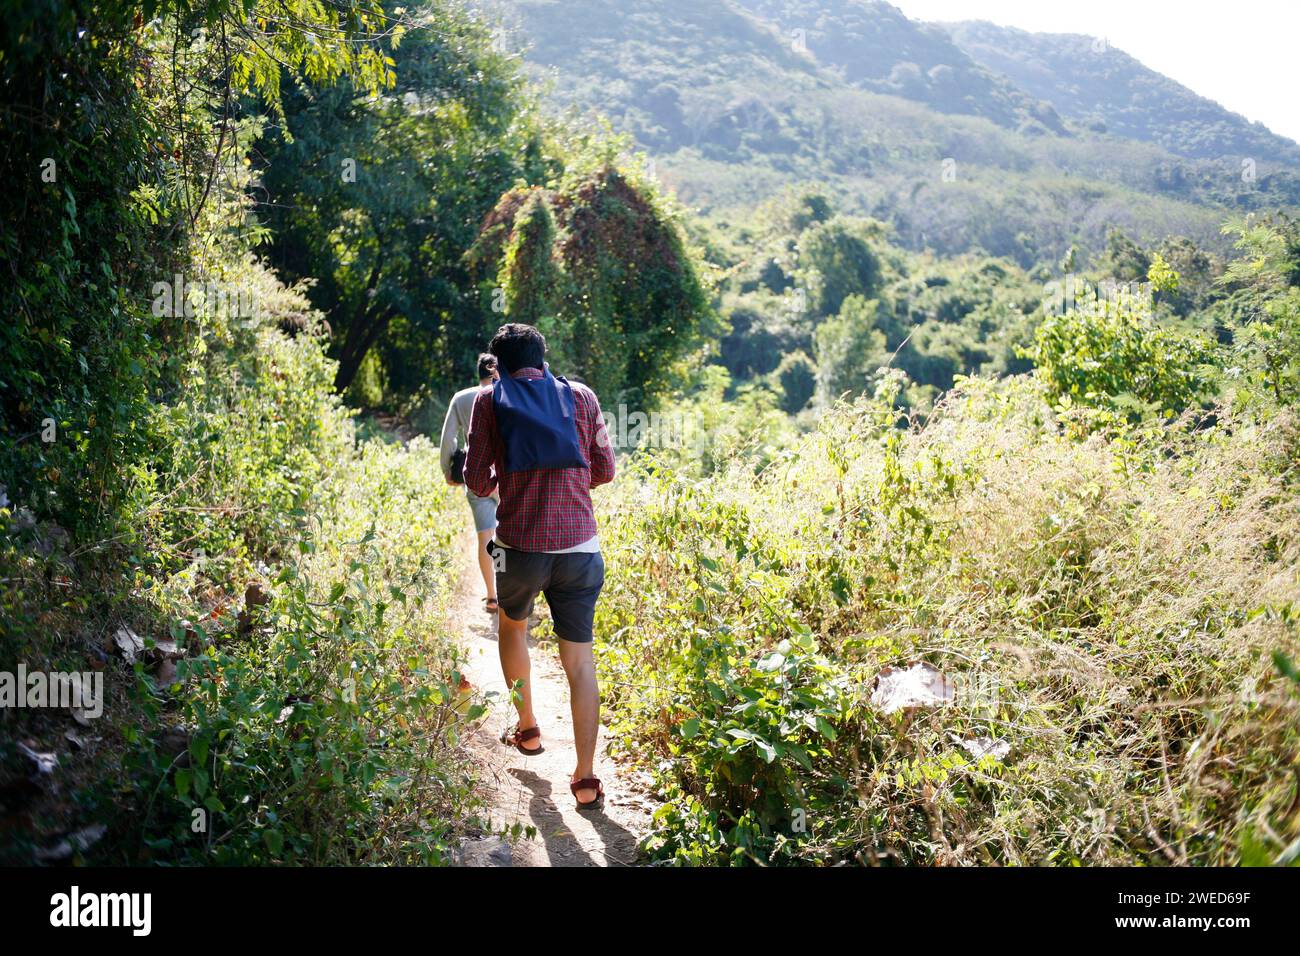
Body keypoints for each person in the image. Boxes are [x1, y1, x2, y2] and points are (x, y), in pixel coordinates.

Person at [464, 323, 615, 811]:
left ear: (500, 365)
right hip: (581, 550)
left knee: (512, 627)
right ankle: (586, 777)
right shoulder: (582, 396)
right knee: (580, 661)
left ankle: (527, 729)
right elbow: (605, 470)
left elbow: (475, 478)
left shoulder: (490, 401)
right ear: (543, 358)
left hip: (516, 547)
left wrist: (506, 478)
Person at [440, 353, 501, 613]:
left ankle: (491, 596)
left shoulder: (462, 398)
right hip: (508, 474)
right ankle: (514, 592)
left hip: (475, 473)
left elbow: (448, 439)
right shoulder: (510, 394)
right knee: (510, 532)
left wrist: (448, 471)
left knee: (485, 535)